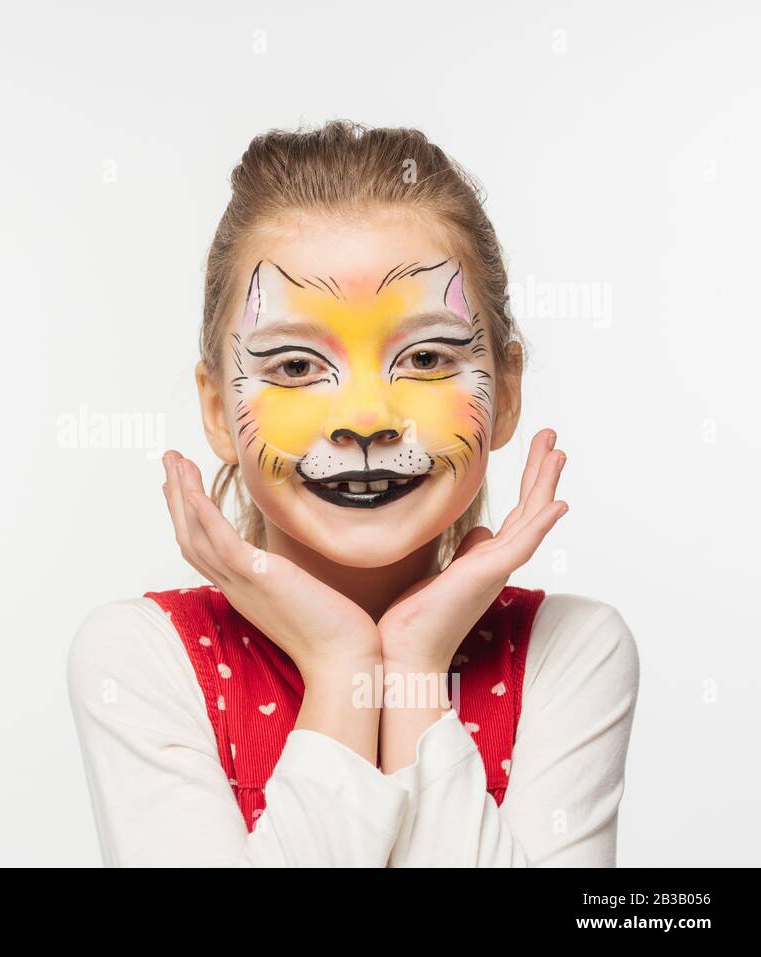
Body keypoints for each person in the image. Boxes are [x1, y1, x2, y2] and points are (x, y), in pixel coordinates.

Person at [66, 120, 639, 867]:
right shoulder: (143, 658)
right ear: (215, 409)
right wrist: (344, 667)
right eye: (297, 366)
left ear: (505, 393)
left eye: (427, 356)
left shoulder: (571, 652)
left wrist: (414, 665)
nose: (365, 419)